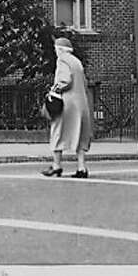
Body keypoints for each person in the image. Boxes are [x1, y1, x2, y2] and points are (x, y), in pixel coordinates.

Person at [42, 37, 93, 178]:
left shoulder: (62, 60)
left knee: (58, 132)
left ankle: (56, 166)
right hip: (81, 104)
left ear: (59, 49)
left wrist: (53, 90)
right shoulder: (77, 62)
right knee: (80, 136)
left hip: (67, 104)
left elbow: (64, 80)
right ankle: (81, 168)